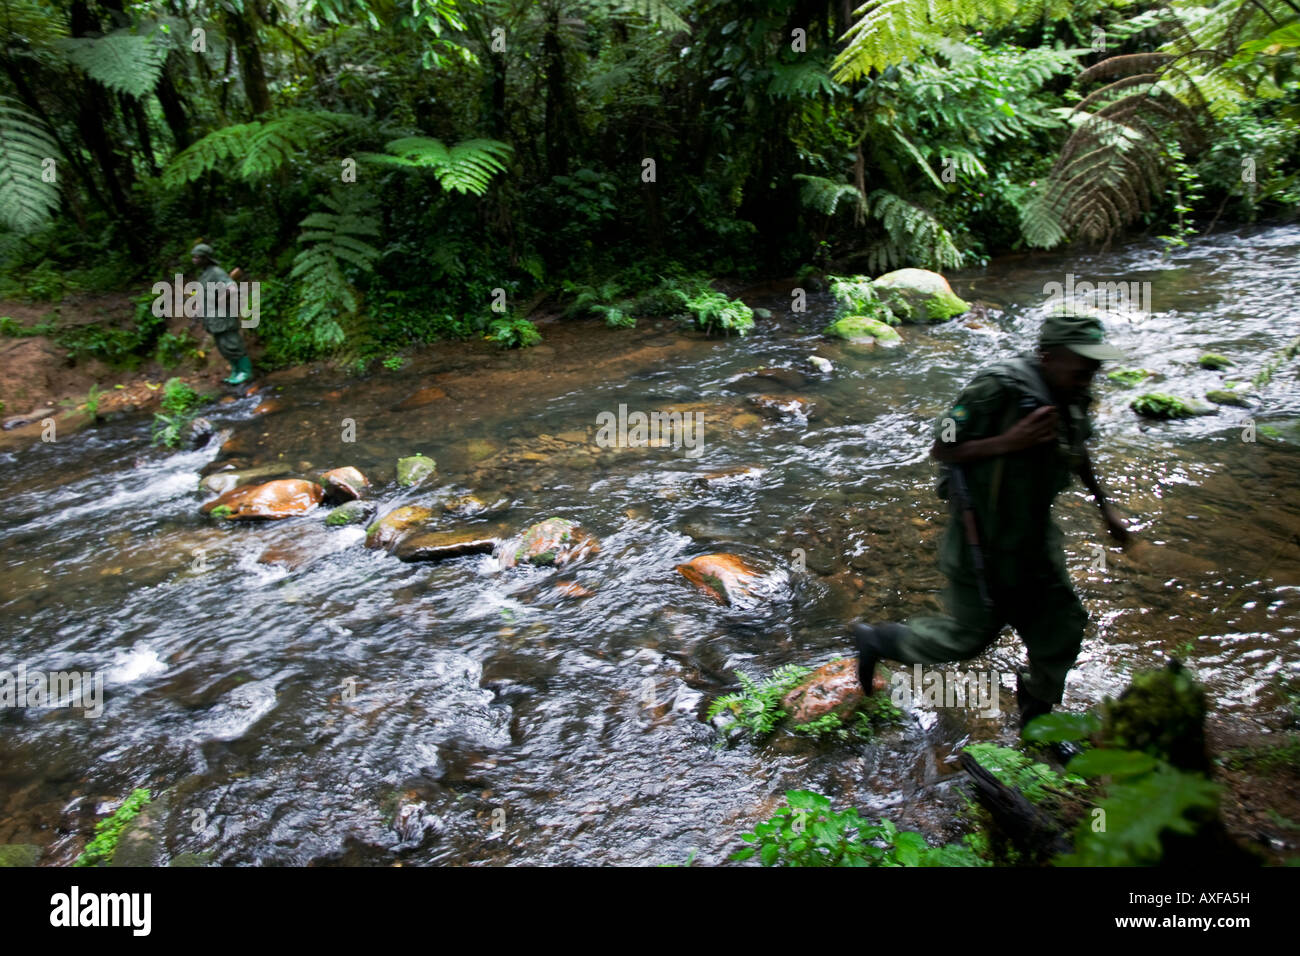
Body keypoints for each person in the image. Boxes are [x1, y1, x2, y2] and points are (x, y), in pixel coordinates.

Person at [854, 312, 1133, 728]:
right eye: (1083, 365)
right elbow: (942, 448)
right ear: (1049, 356)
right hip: (981, 540)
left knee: (1063, 625)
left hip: (1035, 538)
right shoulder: (996, 388)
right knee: (968, 637)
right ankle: (876, 639)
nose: (1091, 375)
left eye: (1095, 366)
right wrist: (1010, 441)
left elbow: (1077, 449)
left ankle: (1036, 718)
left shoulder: (1072, 395)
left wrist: (1104, 507)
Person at [190, 243, 253, 385]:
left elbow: (232, 287)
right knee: (223, 347)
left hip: (223, 317)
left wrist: (222, 299)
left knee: (233, 344)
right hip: (213, 320)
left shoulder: (216, 272)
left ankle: (245, 372)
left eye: (197, 257)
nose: (194, 260)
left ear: (206, 258)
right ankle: (235, 372)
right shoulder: (204, 275)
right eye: (193, 257)